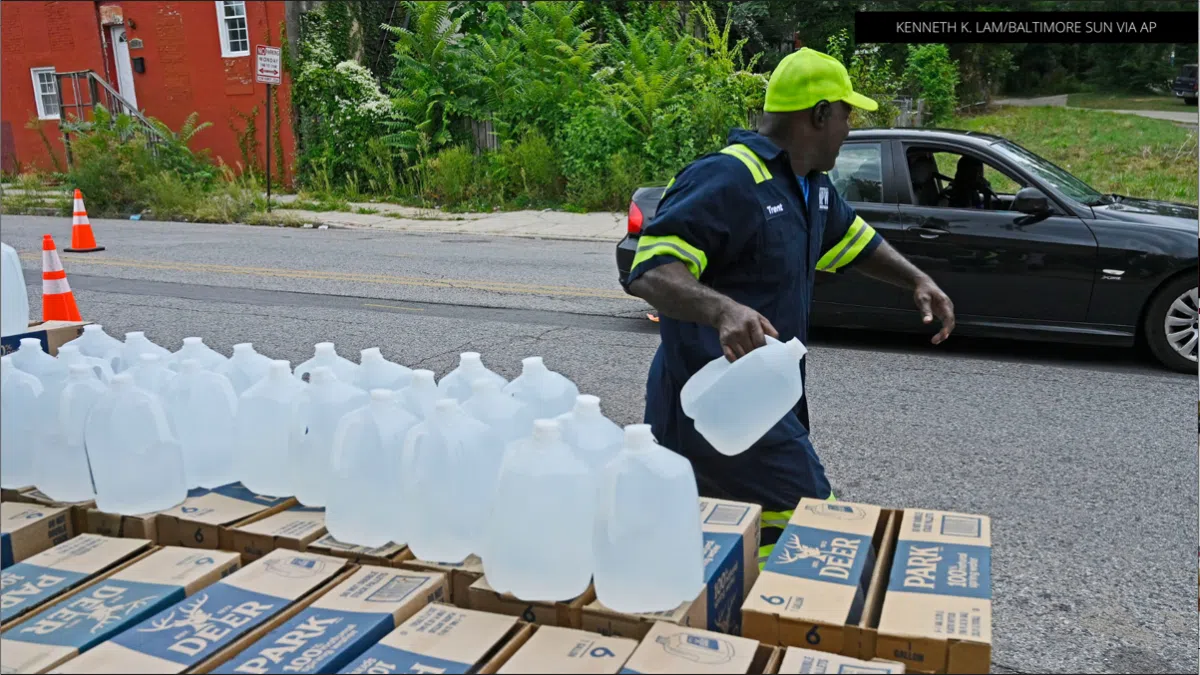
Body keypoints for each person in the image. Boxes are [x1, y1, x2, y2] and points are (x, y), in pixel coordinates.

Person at [621, 48, 956, 567]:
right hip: (719, 399)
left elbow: (853, 238)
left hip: (754, 401)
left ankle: (742, 628)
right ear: (819, 114)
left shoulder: (810, 186)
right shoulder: (729, 178)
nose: (850, 128)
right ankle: (819, 634)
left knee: (704, 534)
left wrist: (916, 280)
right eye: (848, 114)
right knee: (822, 531)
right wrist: (723, 311)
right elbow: (651, 269)